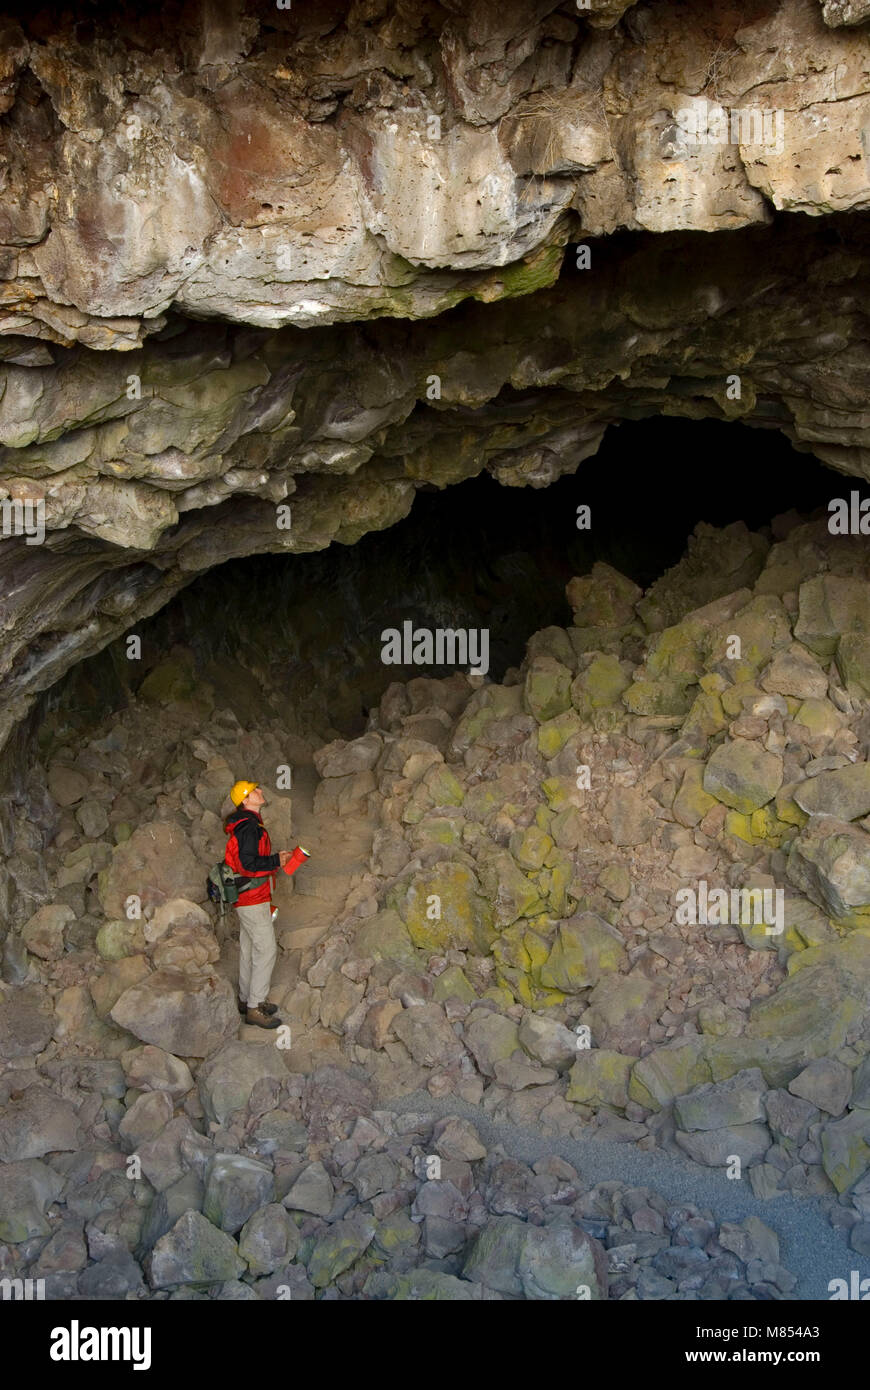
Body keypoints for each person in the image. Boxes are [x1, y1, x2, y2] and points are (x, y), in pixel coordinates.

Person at [224, 779, 298, 1030]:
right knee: (266, 949)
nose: (260, 791)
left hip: (248, 896)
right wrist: (275, 860)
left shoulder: (248, 824)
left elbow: (250, 860)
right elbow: (247, 865)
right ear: (245, 800)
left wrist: (276, 859)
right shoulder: (249, 828)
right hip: (252, 898)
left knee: (248, 947)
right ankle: (255, 1008)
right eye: (254, 790)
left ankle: (246, 1000)